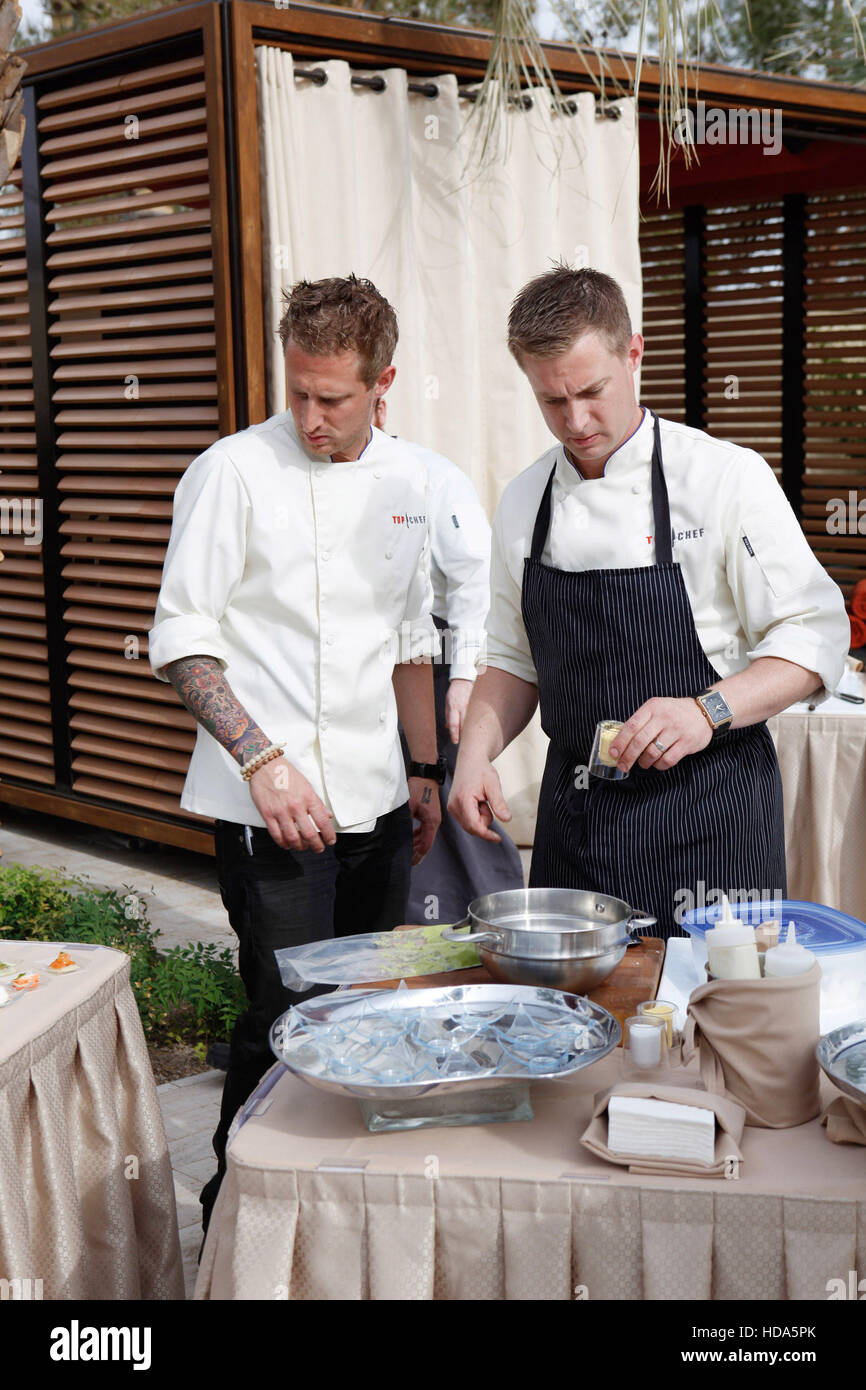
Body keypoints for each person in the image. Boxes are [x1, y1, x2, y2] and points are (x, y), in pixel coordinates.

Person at [149, 275, 442, 1231]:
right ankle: (238, 1220)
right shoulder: (231, 471)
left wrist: (427, 770)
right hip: (269, 811)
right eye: (298, 393)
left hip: (378, 801)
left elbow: (410, 641)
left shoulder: (415, 482)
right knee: (282, 1019)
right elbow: (182, 638)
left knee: (366, 1013)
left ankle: (349, 1219)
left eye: (334, 398)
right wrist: (262, 760)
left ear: (382, 382)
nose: (311, 416)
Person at [449, 266, 850, 939]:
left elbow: (813, 639)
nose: (575, 421)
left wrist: (706, 709)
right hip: (573, 822)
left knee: (715, 1022)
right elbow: (512, 659)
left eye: (591, 391)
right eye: (552, 402)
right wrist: (474, 755)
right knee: (572, 1025)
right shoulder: (524, 501)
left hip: (710, 817)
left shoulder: (724, 478)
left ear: (633, 352)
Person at [374, 397, 525, 924]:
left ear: (381, 405)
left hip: (431, 659)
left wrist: (464, 677)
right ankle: (395, 922)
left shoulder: (431, 476)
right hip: (362, 662)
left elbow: (474, 579)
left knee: (449, 793)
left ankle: (490, 921)